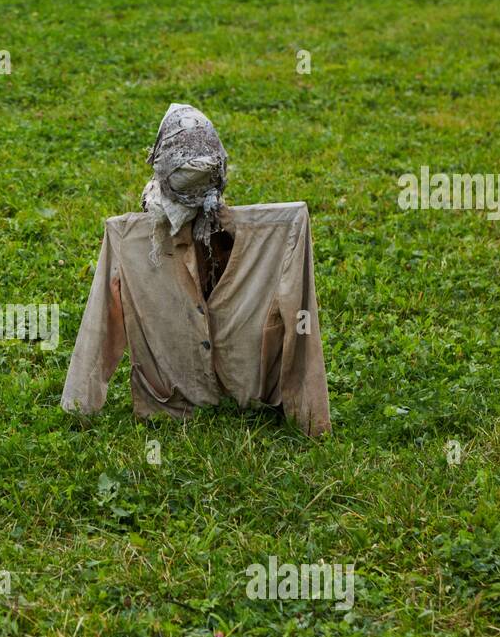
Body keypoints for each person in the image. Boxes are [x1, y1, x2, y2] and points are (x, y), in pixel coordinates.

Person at [61, 103, 331, 436]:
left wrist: (310, 415)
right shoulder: (128, 239)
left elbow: (301, 317)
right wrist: (80, 402)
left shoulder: (280, 230)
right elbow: (100, 323)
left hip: (247, 393)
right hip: (171, 398)